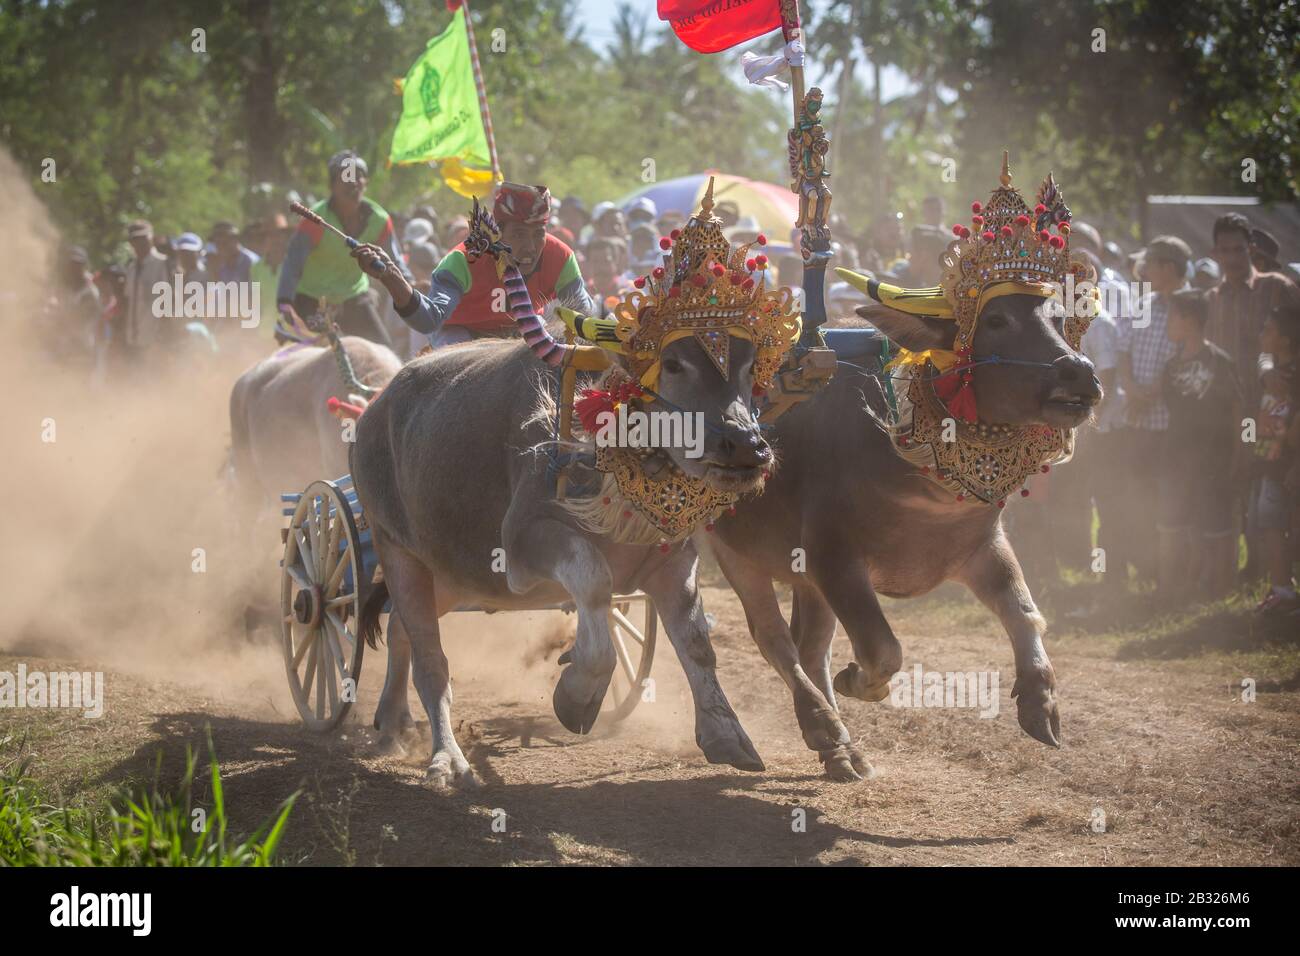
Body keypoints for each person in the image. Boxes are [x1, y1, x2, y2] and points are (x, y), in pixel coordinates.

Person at [357, 182, 595, 348]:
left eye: (538, 234)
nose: (531, 247)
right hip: (460, 335)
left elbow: (584, 315)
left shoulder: (561, 256)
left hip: (524, 329)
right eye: (520, 234)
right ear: (497, 233)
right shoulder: (461, 260)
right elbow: (427, 320)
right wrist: (391, 278)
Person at [1114, 235, 1191, 583]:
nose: (1145, 270)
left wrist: (1157, 390)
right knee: (1136, 495)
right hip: (1137, 418)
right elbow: (1124, 349)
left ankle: (1172, 576)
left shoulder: (1192, 305)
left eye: (1153, 264)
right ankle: (1145, 568)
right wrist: (1130, 387)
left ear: (1169, 268)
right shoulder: (1144, 303)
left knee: (1170, 501)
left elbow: (1189, 356)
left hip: (1172, 423)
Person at [276, 149, 410, 348]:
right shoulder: (315, 220)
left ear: (366, 183)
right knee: (313, 357)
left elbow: (396, 262)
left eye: (358, 177)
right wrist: (285, 302)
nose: (353, 183)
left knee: (382, 351)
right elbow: (292, 263)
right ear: (332, 186)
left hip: (354, 298)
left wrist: (412, 284)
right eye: (345, 177)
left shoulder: (380, 220)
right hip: (312, 301)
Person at [1159, 289, 1243, 599]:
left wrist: (1241, 453)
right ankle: (1171, 590)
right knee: (1172, 525)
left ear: (1190, 320)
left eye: (1172, 316)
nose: (1168, 322)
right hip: (1177, 458)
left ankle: (1220, 593)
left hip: (1214, 460)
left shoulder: (1220, 362)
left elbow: (1240, 414)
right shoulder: (1170, 366)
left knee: (1216, 528)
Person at [1249, 306, 1300, 613]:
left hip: (1291, 463)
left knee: (1291, 529)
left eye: (1268, 329)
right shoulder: (1270, 370)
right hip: (1270, 461)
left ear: (1285, 338)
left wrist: (1284, 437)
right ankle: (1282, 590)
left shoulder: (1294, 376)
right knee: (1268, 525)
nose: (1262, 335)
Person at [120, 219, 172, 361]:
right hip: (133, 338)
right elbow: (128, 301)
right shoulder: (131, 268)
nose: (139, 243)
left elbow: (168, 303)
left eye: (143, 238)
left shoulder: (163, 264)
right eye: (135, 239)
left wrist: (163, 337)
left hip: (154, 339)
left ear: (151, 239)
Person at [247, 214, 291, 342]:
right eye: (271, 235)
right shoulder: (256, 268)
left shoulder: (296, 265)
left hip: (291, 336)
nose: (276, 239)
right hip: (264, 335)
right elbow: (254, 304)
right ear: (265, 238)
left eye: (280, 234)